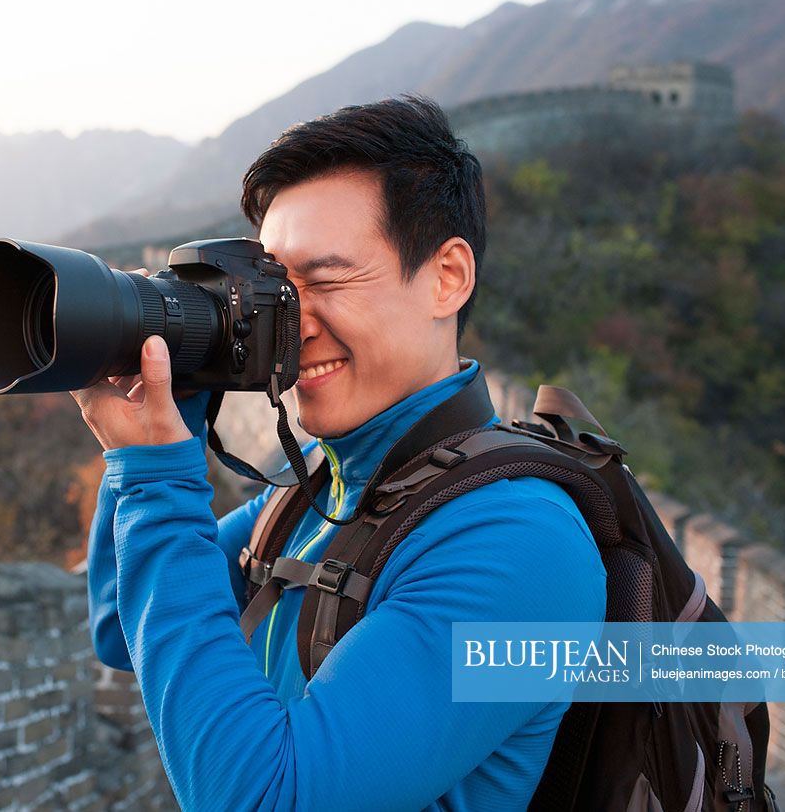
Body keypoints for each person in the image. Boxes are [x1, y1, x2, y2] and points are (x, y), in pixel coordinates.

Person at [71, 96, 606, 811]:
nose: (292, 330)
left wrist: (156, 483)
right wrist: (170, 410)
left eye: (324, 281)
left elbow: (269, 798)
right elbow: (121, 627)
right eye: (274, 295)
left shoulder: (518, 541)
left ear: (446, 277)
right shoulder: (319, 493)